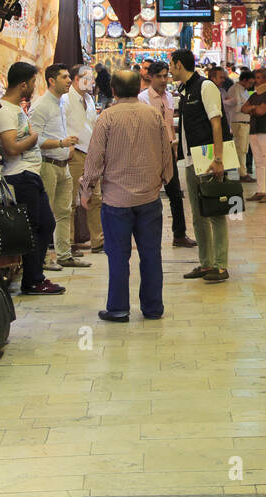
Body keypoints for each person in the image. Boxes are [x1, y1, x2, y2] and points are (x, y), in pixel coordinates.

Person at [80, 70, 176, 322]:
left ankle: (118, 308)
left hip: (116, 200)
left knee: (118, 257)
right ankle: (153, 308)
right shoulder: (153, 115)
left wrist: (86, 189)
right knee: (151, 254)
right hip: (149, 198)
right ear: (138, 88)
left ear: (113, 91)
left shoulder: (107, 118)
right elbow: (167, 151)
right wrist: (164, 179)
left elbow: (95, 158)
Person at [0, 62, 65, 295]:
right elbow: (12, 148)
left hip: (29, 174)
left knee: (46, 224)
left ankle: (34, 277)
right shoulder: (3, 111)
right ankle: (33, 280)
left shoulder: (15, 109)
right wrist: (34, 138)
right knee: (35, 226)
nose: (34, 87)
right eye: (33, 82)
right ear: (23, 85)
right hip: (20, 176)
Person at [170, 48, 230, 282]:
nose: (170, 69)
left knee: (215, 212)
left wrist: (218, 159)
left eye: (171, 65)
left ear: (178, 64)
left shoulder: (205, 86)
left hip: (208, 156)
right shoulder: (185, 90)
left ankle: (221, 266)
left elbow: (216, 123)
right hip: (191, 158)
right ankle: (206, 264)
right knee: (198, 215)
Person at [28, 64, 90, 270]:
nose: (69, 81)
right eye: (64, 77)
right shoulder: (41, 106)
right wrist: (61, 143)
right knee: (46, 214)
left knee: (64, 211)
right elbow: (34, 140)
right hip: (48, 165)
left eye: (68, 77)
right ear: (52, 81)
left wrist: (66, 146)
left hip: (63, 165)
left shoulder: (61, 103)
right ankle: (44, 258)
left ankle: (64, 254)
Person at [139, 59, 195, 248]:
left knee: (175, 193)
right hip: (151, 151)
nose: (163, 80)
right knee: (150, 195)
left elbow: (169, 123)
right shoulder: (143, 99)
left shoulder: (170, 97)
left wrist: (174, 145)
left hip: (169, 150)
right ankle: (146, 235)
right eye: (159, 77)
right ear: (150, 77)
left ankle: (179, 234)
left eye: (166, 76)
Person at [62, 64, 103, 253]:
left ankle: (98, 240)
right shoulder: (65, 99)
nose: (91, 82)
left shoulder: (89, 99)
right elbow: (60, 124)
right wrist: (66, 147)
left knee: (95, 198)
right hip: (74, 153)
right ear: (77, 79)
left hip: (90, 153)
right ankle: (68, 242)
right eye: (87, 78)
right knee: (70, 200)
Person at [243, 68, 266, 203]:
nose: (255, 81)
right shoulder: (255, 95)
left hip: (265, 130)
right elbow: (243, 108)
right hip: (254, 130)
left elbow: (260, 111)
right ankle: (260, 191)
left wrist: (252, 108)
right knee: (258, 162)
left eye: (258, 78)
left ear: (265, 79)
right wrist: (253, 108)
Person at [222, 67, 255, 183]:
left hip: (245, 122)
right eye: (250, 83)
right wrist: (250, 108)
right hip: (239, 122)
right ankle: (242, 173)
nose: (251, 85)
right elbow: (237, 107)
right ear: (244, 80)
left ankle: (243, 171)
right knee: (240, 149)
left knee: (243, 149)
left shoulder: (243, 90)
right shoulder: (235, 89)